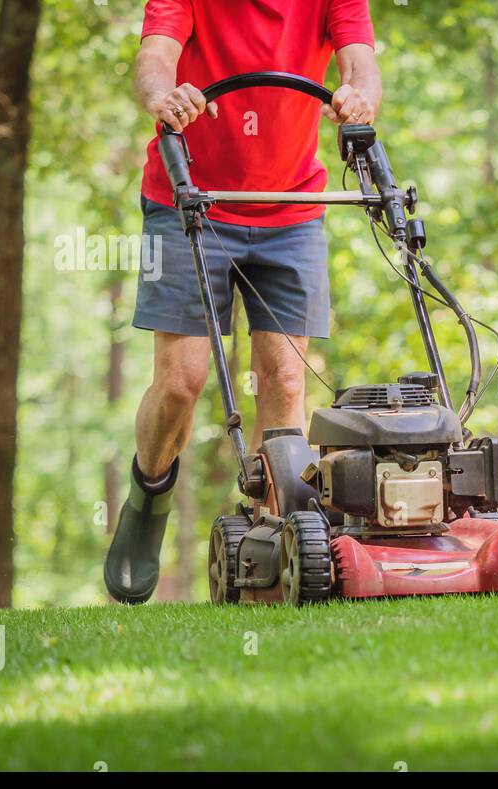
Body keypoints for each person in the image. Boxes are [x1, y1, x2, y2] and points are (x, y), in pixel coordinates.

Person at [104, 0, 382, 604]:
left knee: (284, 376)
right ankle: (148, 495)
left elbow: (360, 60)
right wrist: (163, 97)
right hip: (188, 196)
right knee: (181, 381)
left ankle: (269, 549)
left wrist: (358, 96)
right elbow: (155, 55)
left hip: (292, 207)